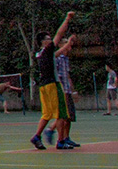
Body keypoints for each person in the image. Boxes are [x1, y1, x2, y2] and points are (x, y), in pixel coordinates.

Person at [30, 11, 76, 150]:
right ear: (43, 42)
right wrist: (67, 19)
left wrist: (68, 44)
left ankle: (37, 136)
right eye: (48, 39)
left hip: (43, 86)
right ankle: (61, 141)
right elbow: (59, 34)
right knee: (61, 113)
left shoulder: (40, 54)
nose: (51, 40)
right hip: (52, 84)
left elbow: (59, 52)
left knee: (47, 114)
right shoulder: (47, 50)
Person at [55, 31, 79, 148]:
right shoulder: (57, 58)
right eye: (66, 44)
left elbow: (67, 76)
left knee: (70, 116)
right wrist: (61, 90)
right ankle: (60, 138)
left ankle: (67, 137)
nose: (69, 47)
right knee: (63, 116)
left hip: (67, 90)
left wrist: (73, 90)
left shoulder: (66, 59)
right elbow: (57, 76)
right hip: (62, 91)